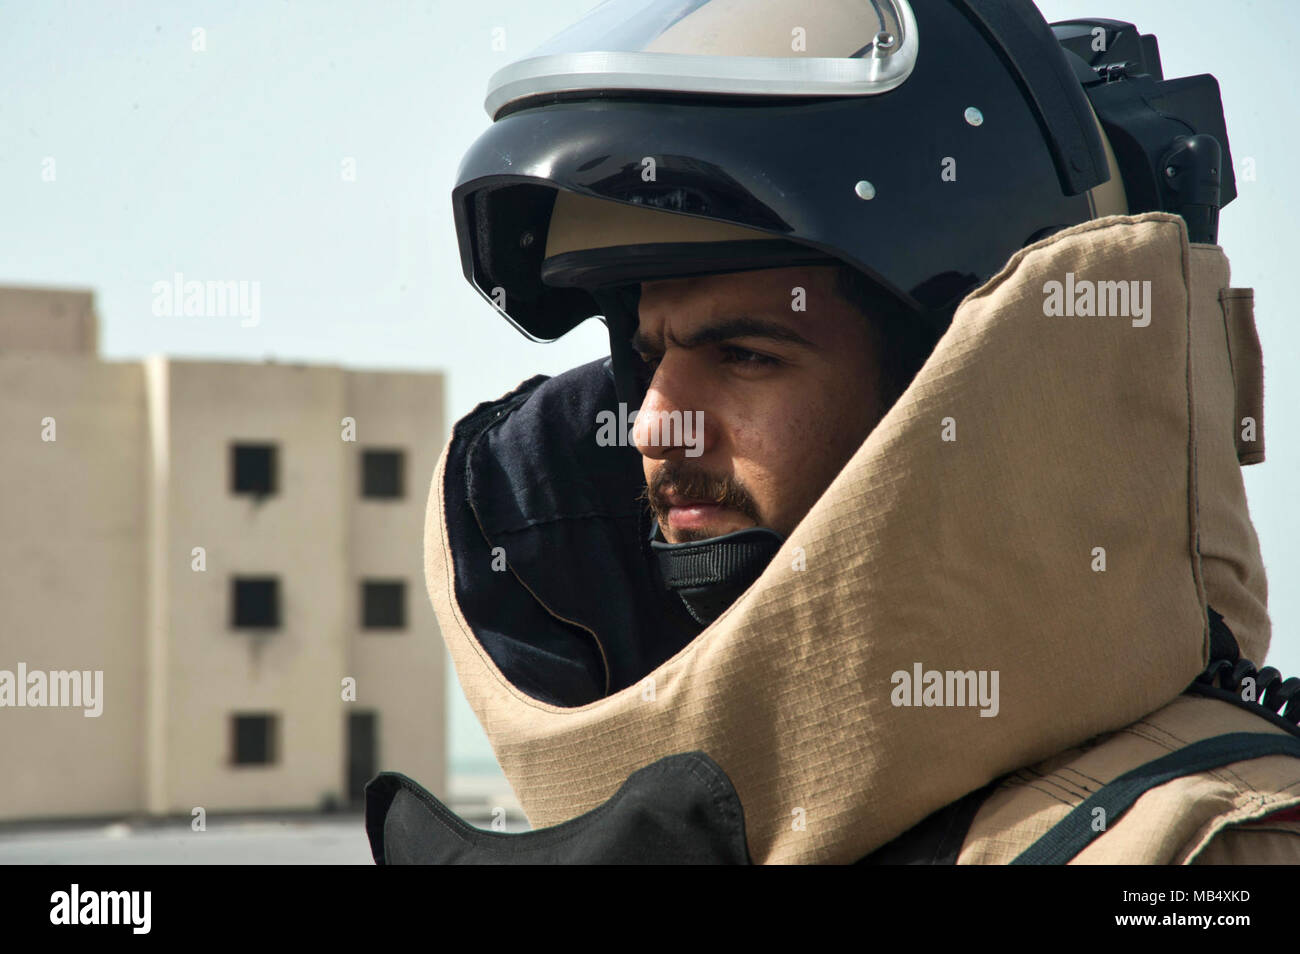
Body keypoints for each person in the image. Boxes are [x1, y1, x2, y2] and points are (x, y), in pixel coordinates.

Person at [364, 0, 1300, 864]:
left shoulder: (1208, 854)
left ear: (958, 394)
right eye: (648, 358)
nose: (654, 425)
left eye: (745, 356)